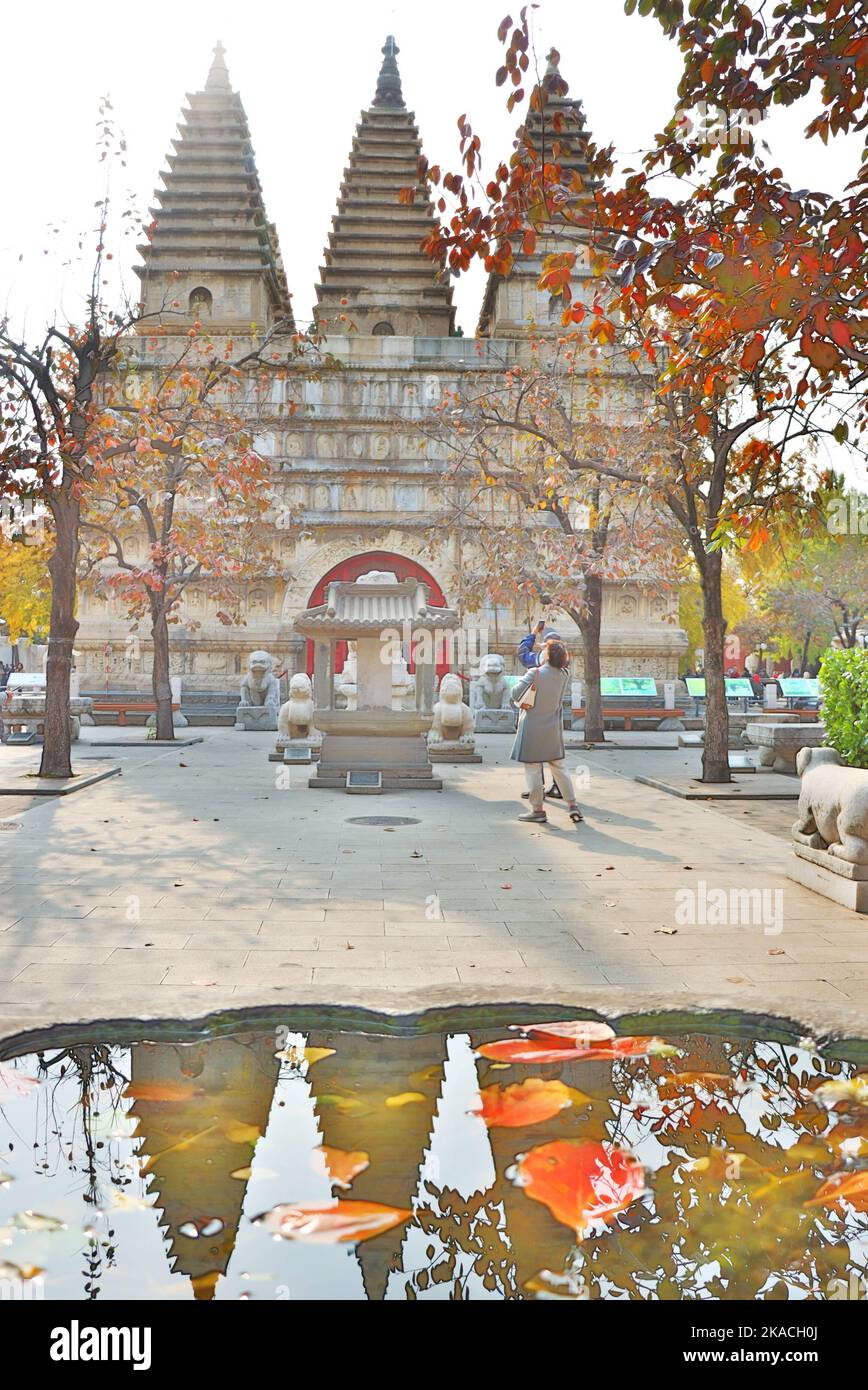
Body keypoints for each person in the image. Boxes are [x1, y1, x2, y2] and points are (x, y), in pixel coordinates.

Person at [510, 640, 583, 825]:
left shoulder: (535, 673)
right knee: (559, 768)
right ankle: (572, 805)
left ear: (547, 655)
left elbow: (515, 693)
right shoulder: (563, 675)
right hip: (552, 728)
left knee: (533, 769)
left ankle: (537, 810)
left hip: (532, 727)